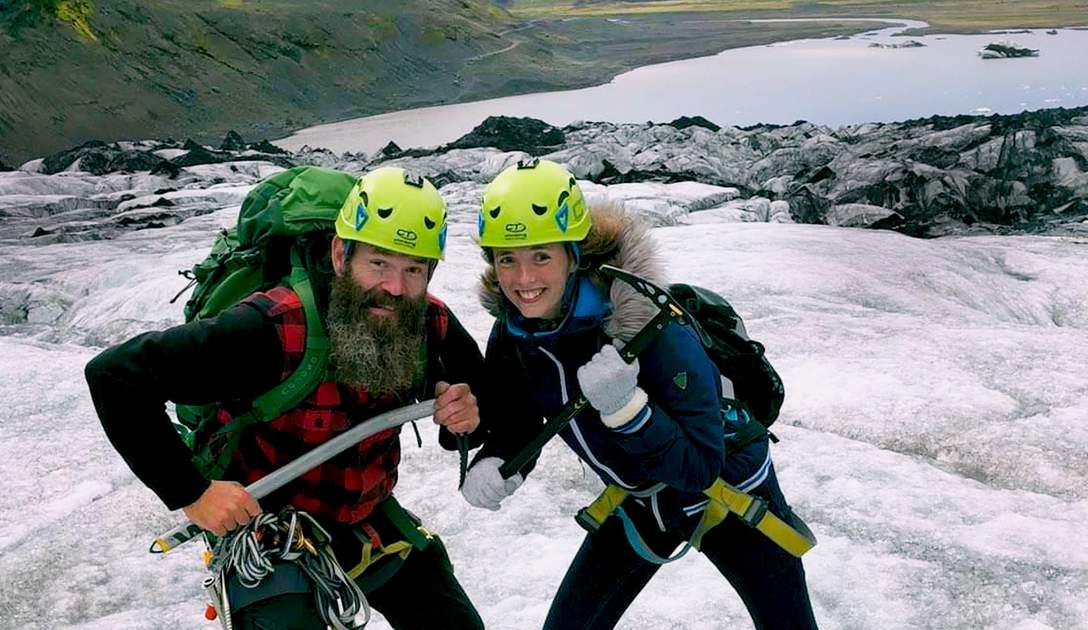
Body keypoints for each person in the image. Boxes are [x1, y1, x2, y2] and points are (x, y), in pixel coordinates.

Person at [85, 166, 486, 630]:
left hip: (364, 515)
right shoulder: (271, 328)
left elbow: (478, 401)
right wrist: (191, 493)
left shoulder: (427, 321)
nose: (394, 288)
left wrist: (466, 417)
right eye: (378, 263)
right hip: (267, 528)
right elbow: (116, 375)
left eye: (413, 270)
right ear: (340, 254)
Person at [461, 158, 818, 630]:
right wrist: (500, 458)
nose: (524, 280)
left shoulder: (647, 324)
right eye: (508, 259)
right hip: (640, 499)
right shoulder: (516, 331)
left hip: (731, 493)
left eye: (541, 255)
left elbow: (698, 467)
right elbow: (521, 413)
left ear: (574, 253)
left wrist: (628, 410)